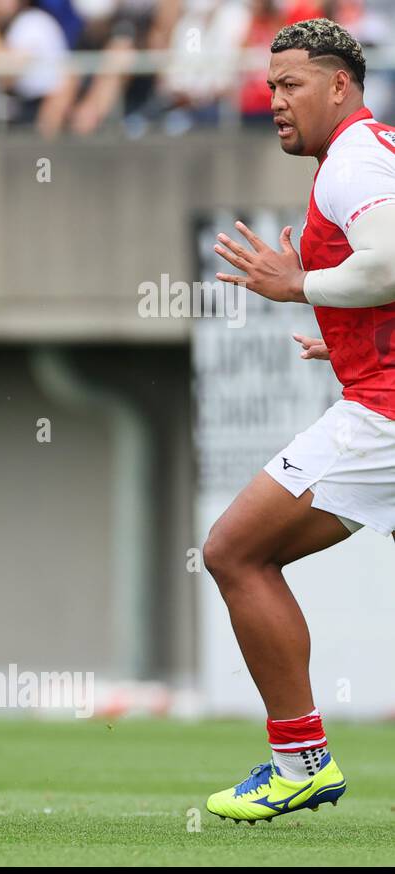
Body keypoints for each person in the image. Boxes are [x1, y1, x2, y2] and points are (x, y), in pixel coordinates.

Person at [206, 18, 395, 822]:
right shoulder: (375, 149)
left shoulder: (353, 160)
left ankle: (300, 761)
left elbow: (387, 261)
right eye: (270, 85)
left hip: (383, 417)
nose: (274, 100)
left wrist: (299, 288)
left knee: (234, 551)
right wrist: (349, 341)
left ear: (340, 86)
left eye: (291, 86)